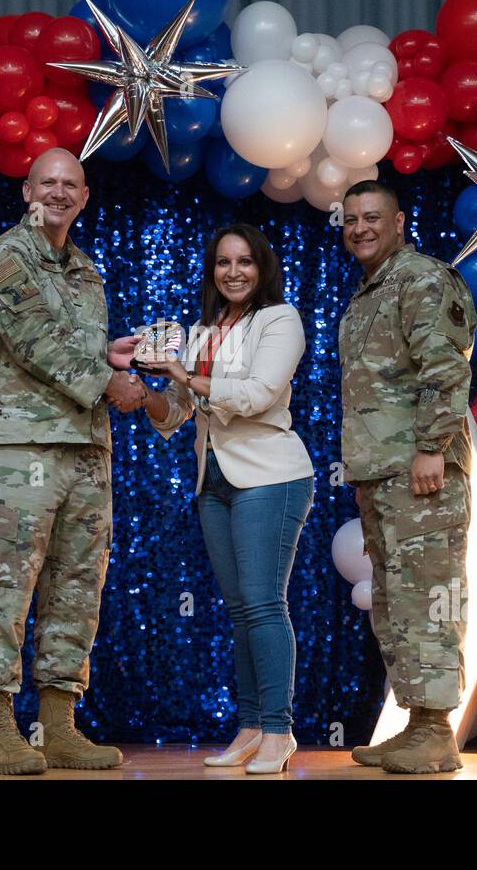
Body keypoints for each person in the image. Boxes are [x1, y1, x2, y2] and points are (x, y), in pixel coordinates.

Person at [0, 148, 144, 776]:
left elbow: (72, 347)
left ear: (85, 196)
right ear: (27, 190)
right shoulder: (4, 257)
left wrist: (109, 356)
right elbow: (36, 342)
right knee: (6, 586)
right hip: (18, 450)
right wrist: (111, 384)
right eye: (48, 181)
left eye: (71, 183)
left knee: (75, 588)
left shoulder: (85, 271)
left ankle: (60, 727)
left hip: (85, 452)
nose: (59, 192)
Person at [140, 223, 314, 774]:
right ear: (212, 270)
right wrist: (145, 392)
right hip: (212, 481)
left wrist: (185, 379)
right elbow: (177, 415)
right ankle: (250, 725)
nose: (233, 272)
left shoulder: (279, 319)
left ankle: (279, 731)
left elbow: (260, 395)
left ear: (262, 268)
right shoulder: (201, 330)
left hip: (271, 475)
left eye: (245, 262)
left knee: (264, 602)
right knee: (241, 609)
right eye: (223, 262)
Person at [337, 180, 476, 775]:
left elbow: (444, 370)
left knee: (430, 596)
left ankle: (438, 731)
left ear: (398, 222)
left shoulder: (420, 277)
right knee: (396, 601)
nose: (360, 228)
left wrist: (430, 448)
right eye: (350, 220)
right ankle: (418, 722)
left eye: (372, 217)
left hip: (420, 470)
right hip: (382, 474)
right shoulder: (372, 290)